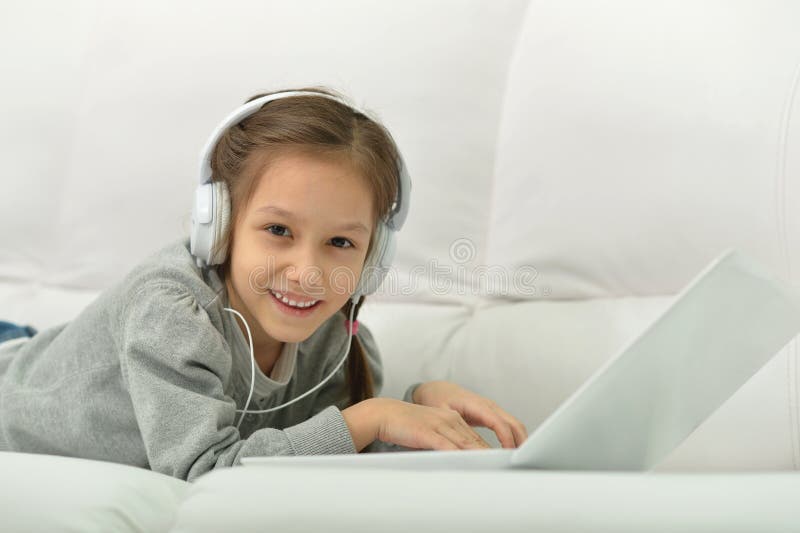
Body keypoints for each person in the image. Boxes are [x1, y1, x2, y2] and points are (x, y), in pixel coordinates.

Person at [0, 87, 527, 482]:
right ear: (220, 222)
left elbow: (319, 449)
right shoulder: (171, 313)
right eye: (279, 231)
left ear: (375, 256)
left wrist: (418, 409)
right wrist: (374, 417)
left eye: (341, 243)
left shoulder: (336, 346)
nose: (308, 273)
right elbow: (207, 471)